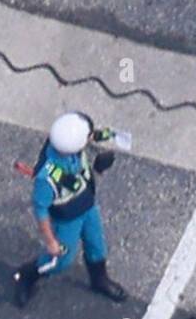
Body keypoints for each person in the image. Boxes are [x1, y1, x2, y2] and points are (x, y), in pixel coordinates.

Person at [14, 112, 127, 307]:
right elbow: (40, 208)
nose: (90, 139)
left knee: (97, 246)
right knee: (60, 261)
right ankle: (28, 275)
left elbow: (83, 175)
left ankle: (99, 279)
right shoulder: (47, 179)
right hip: (67, 220)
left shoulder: (69, 148)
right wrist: (50, 241)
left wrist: (98, 169)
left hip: (87, 207)